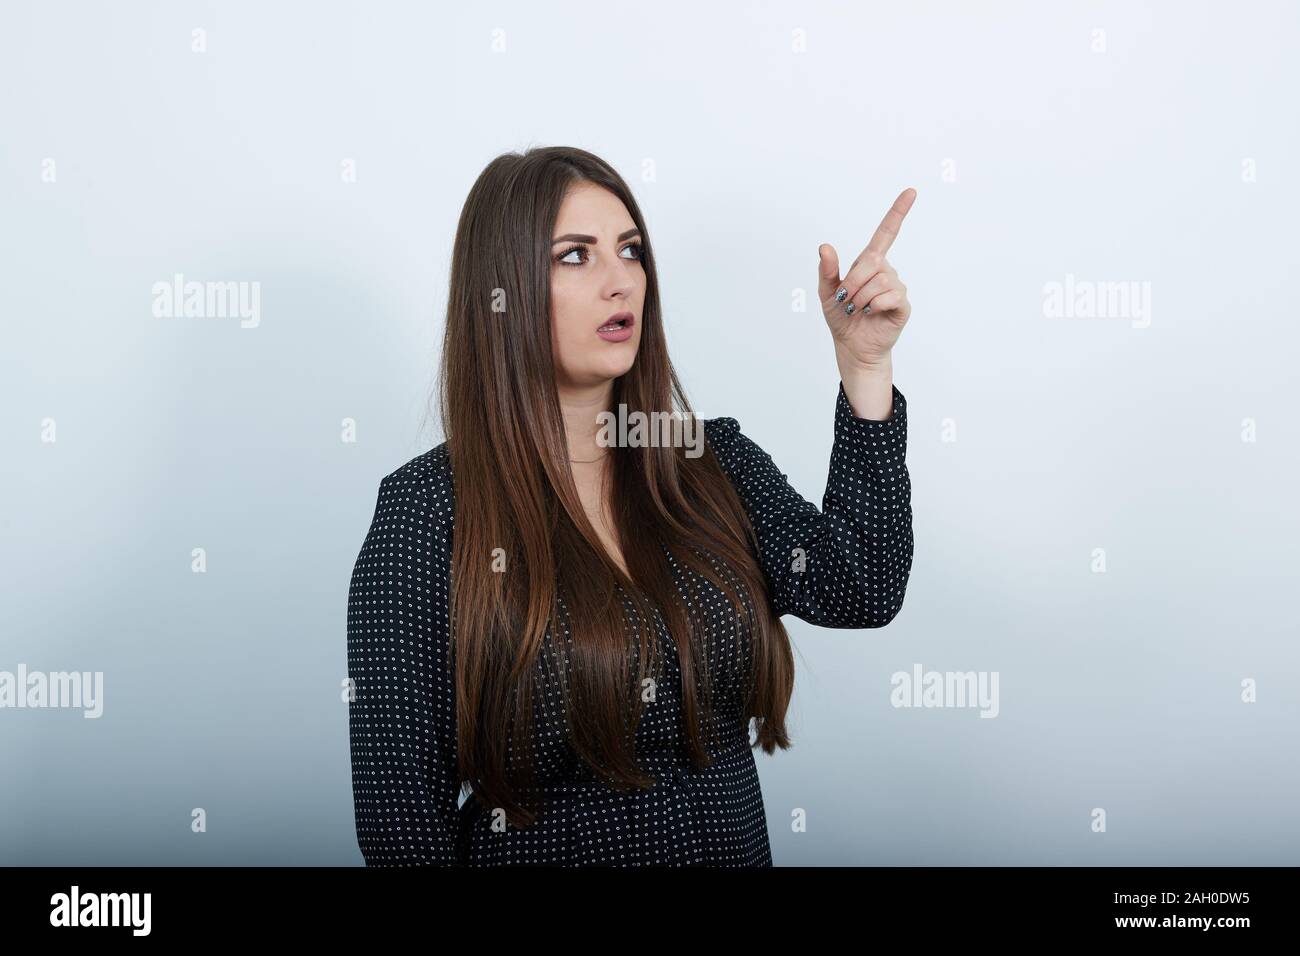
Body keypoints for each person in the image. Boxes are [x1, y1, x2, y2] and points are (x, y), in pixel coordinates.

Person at [346, 145, 916, 866]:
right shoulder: (427, 512)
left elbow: (861, 586)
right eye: (575, 257)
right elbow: (403, 831)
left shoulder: (710, 461)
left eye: (631, 251)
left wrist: (865, 367)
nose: (622, 283)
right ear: (503, 290)